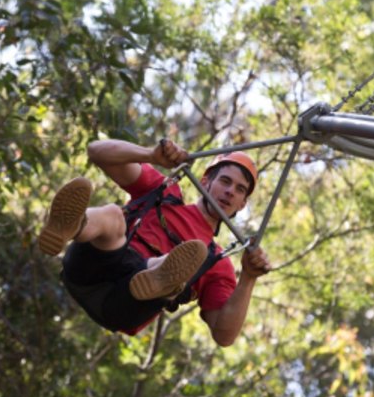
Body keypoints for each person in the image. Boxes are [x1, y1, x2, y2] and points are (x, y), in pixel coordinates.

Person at [37, 138, 272, 347]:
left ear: (242, 204)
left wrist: (248, 277)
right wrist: (150, 154)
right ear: (205, 180)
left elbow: (224, 336)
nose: (230, 191)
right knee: (113, 215)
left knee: (174, 263)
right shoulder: (164, 192)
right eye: (225, 181)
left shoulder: (217, 263)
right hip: (92, 267)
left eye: (239, 190)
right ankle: (72, 226)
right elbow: (96, 151)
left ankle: (159, 277)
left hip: (125, 304)